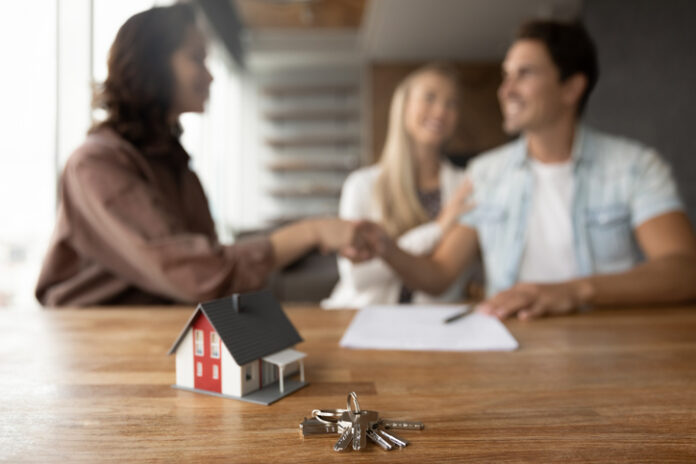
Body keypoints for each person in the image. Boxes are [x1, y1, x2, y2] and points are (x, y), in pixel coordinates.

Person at [355, 19, 696, 319]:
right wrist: (386, 247)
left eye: (525, 73)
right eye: (506, 75)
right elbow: (440, 273)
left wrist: (572, 292)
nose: (506, 90)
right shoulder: (486, 173)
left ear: (571, 88)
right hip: (511, 347)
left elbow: (684, 270)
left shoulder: (634, 167)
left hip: (607, 351)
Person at [35, 4, 369, 307]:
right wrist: (310, 231)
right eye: (196, 58)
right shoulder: (96, 165)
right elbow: (199, 274)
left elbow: (208, 256)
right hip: (89, 340)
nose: (209, 75)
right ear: (152, 63)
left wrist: (317, 234)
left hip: (146, 333)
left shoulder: (175, 166)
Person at [321, 63, 474, 308]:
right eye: (430, 97)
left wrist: (386, 251)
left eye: (451, 103)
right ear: (404, 105)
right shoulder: (360, 185)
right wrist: (437, 229)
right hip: (362, 319)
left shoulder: (465, 187)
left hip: (435, 325)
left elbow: (446, 275)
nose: (441, 111)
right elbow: (359, 277)